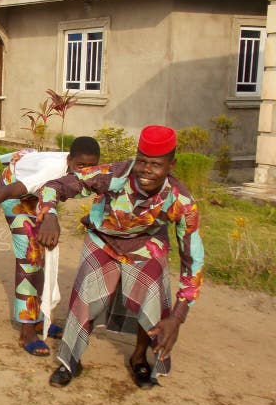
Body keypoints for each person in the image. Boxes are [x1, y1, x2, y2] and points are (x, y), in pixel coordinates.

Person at [35, 125, 204, 389]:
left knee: (153, 297)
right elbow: (54, 187)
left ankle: (139, 357)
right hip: (103, 239)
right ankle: (70, 360)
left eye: (156, 165)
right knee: (86, 294)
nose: (146, 170)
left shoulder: (181, 201)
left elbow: (193, 261)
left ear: (171, 165)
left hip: (146, 243)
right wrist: (50, 216)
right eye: (142, 161)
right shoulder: (112, 175)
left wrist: (178, 316)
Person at [0, 137, 100, 356]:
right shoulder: (51, 172)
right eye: (80, 165)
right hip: (15, 191)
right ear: (69, 160)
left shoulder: (96, 174)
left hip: (40, 196)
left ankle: (39, 319)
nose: (85, 171)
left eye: (90, 166)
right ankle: (27, 330)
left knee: (42, 254)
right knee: (30, 256)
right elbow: (6, 192)